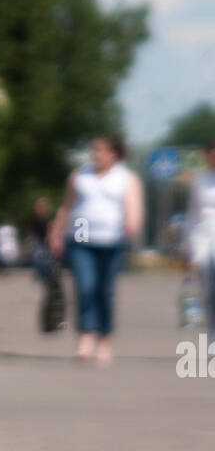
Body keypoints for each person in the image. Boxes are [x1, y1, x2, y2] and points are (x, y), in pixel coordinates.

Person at [49, 136, 144, 365]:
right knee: (85, 286)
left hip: (111, 240)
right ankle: (85, 337)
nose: (95, 155)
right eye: (93, 150)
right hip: (81, 239)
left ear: (113, 154)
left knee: (105, 290)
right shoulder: (80, 176)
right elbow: (67, 206)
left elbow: (133, 205)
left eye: (100, 150)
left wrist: (133, 223)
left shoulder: (125, 178)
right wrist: (55, 233)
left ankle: (104, 340)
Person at [183, 139, 215, 332]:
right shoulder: (199, 181)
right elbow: (191, 214)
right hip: (204, 238)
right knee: (210, 290)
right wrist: (185, 246)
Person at [29, 197, 53, 281]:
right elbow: (33, 230)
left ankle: (46, 273)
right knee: (38, 256)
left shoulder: (48, 218)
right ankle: (40, 273)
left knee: (46, 257)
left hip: (46, 240)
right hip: (39, 240)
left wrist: (49, 235)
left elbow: (50, 227)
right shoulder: (36, 219)